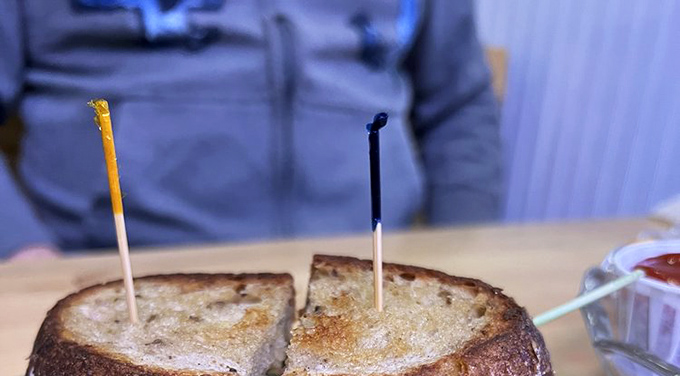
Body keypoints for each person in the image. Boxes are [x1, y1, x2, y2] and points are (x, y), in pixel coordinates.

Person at [0, 0, 503, 260]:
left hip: (369, 268)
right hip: (105, 269)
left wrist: (459, 250)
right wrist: (21, 252)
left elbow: (458, 104)